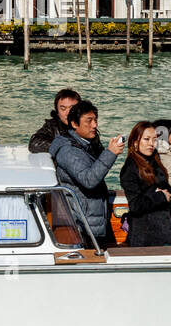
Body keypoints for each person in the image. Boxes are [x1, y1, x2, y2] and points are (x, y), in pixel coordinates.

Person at [47, 100, 124, 244]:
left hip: (91, 221)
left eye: (95, 120)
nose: (94, 125)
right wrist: (110, 153)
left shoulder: (84, 145)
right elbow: (89, 180)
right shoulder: (68, 150)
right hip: (81, 225)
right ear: (74, 124)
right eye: (89, 121)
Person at [119, 122, 171, 248]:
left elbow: (168, 189)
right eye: (146, 139)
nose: (151, 144)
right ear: (135, 143)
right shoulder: (130, 169)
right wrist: (160, 196)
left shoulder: (155, 161)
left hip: (166, 229)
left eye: (154, 139)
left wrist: (166, 195)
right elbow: (135, 205)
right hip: (145, 235)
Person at [29, 88, 81, 154]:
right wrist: (66, 145)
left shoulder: (88, 125)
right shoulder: (53, 126)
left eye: (72, 108)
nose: (68, 113)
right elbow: (35, 143)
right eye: (63, 109)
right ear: (57, 113)